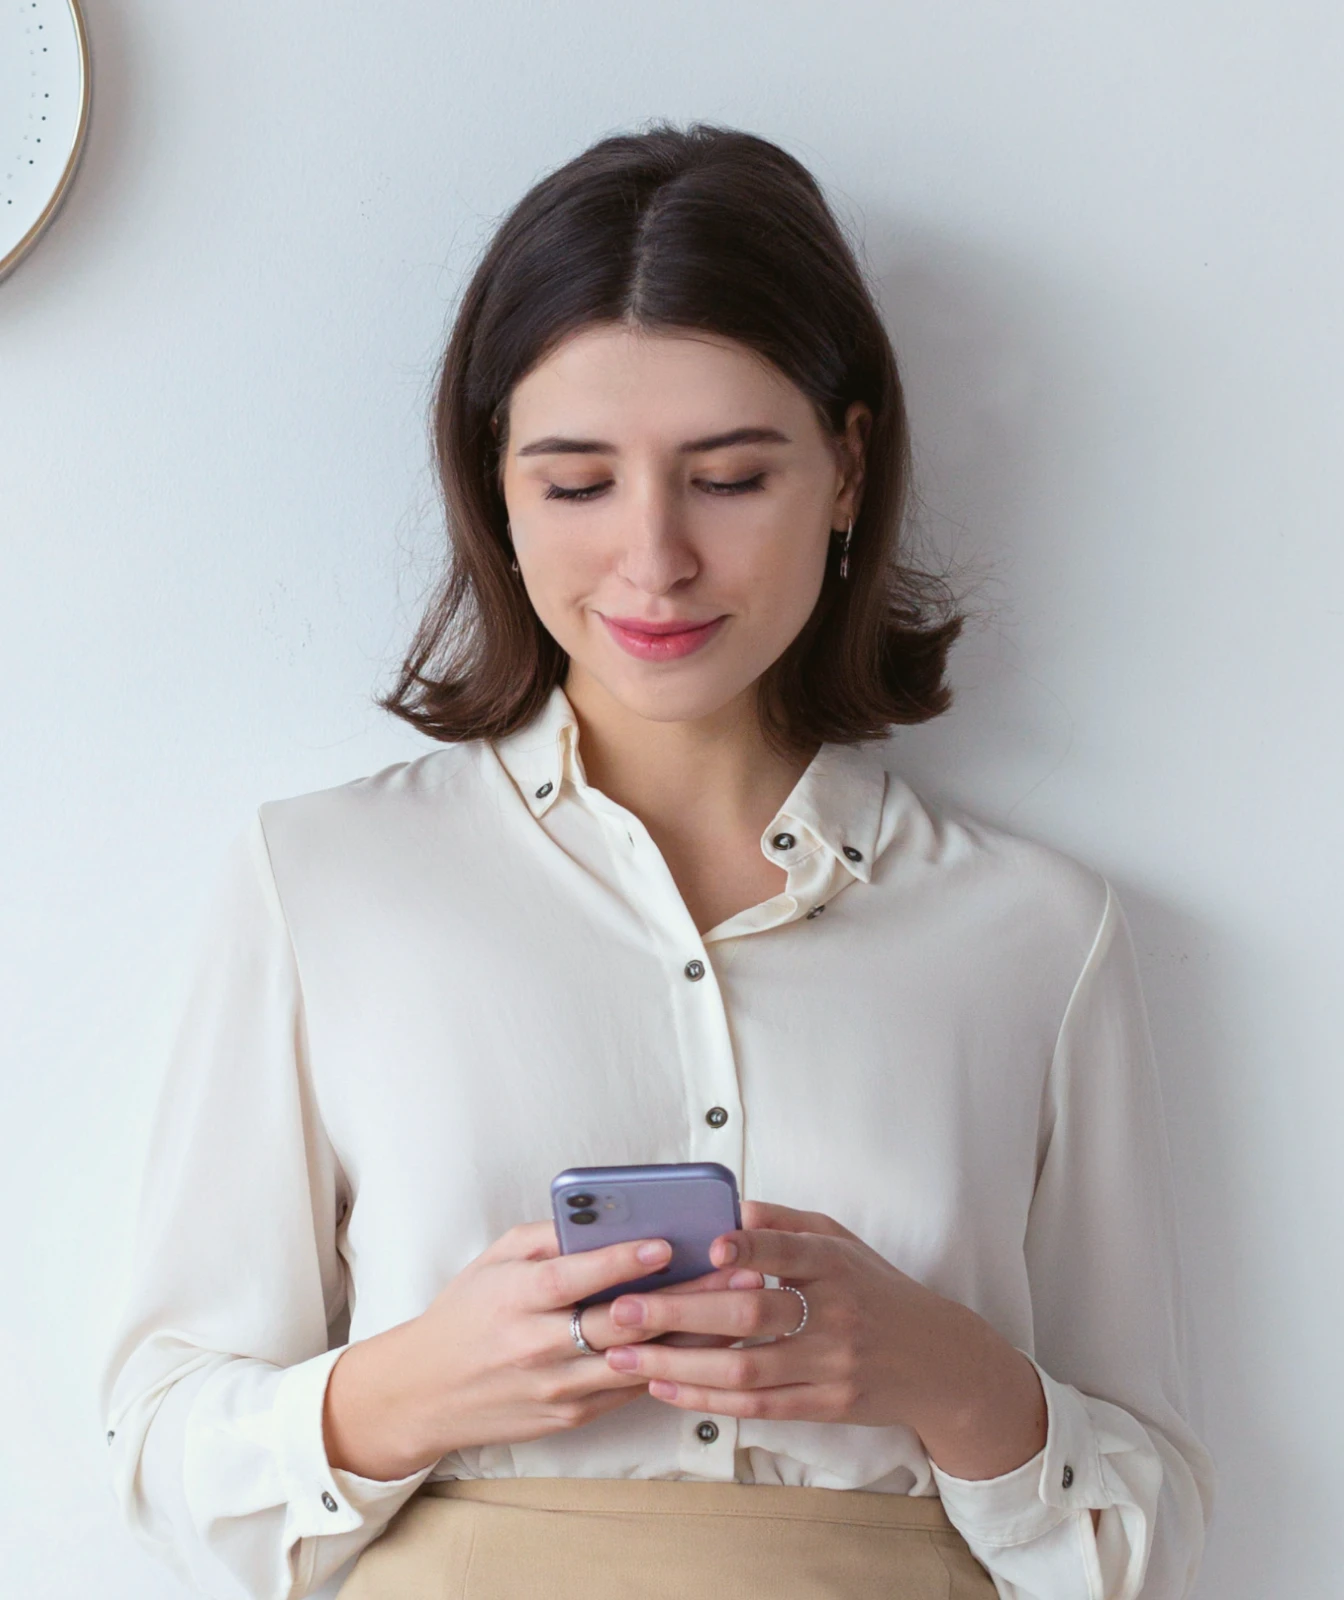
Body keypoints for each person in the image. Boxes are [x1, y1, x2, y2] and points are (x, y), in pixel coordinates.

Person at [97, 121, 1215, 1600]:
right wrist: (416, 1385)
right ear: (494, 486)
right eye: (575, 483)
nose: (654, 560)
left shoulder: (1036, 933)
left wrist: (950, 1380)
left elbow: (1144, 1529)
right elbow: (159, 1454)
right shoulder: (326, 880)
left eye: (731, 477)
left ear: (845, 469)